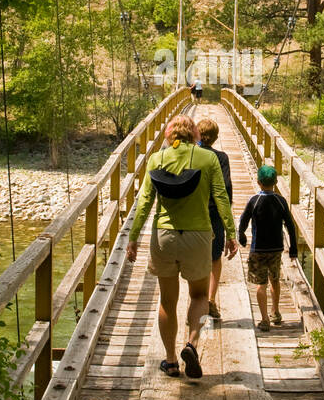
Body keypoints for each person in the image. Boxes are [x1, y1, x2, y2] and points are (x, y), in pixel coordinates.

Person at [126, 114, 237, 378]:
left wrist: (133, 237)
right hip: (198, 236)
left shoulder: (156, 159)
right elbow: (221, 197)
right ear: (195, 134)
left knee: (167, 301)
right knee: (199, 296)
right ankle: (192, 343)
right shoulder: (209, 159)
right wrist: (231, 233)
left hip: (164, 237)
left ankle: (171, 360)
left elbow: (143, 203)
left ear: (168, 134)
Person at [238, 164, 298, 332]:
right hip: (276, 248)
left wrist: (241, 237)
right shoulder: (281, 201)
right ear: (275, 182)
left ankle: (264, 319)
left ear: (258, 182)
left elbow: (243, 221)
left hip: (258, 248)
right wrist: (293, 249)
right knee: (275, 279)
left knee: (260, 284)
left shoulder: (254, 200)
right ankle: (276, 311)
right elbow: (290, 226)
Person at [197, 117, 233, 322]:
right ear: (217, 137)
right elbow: (226, 188)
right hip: (215, 213)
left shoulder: (192, 155)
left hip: (195, 212)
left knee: (196, 257)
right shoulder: (222, 158)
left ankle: (198, 301)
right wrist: (230, 226)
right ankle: (210, 299)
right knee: (214, 257)